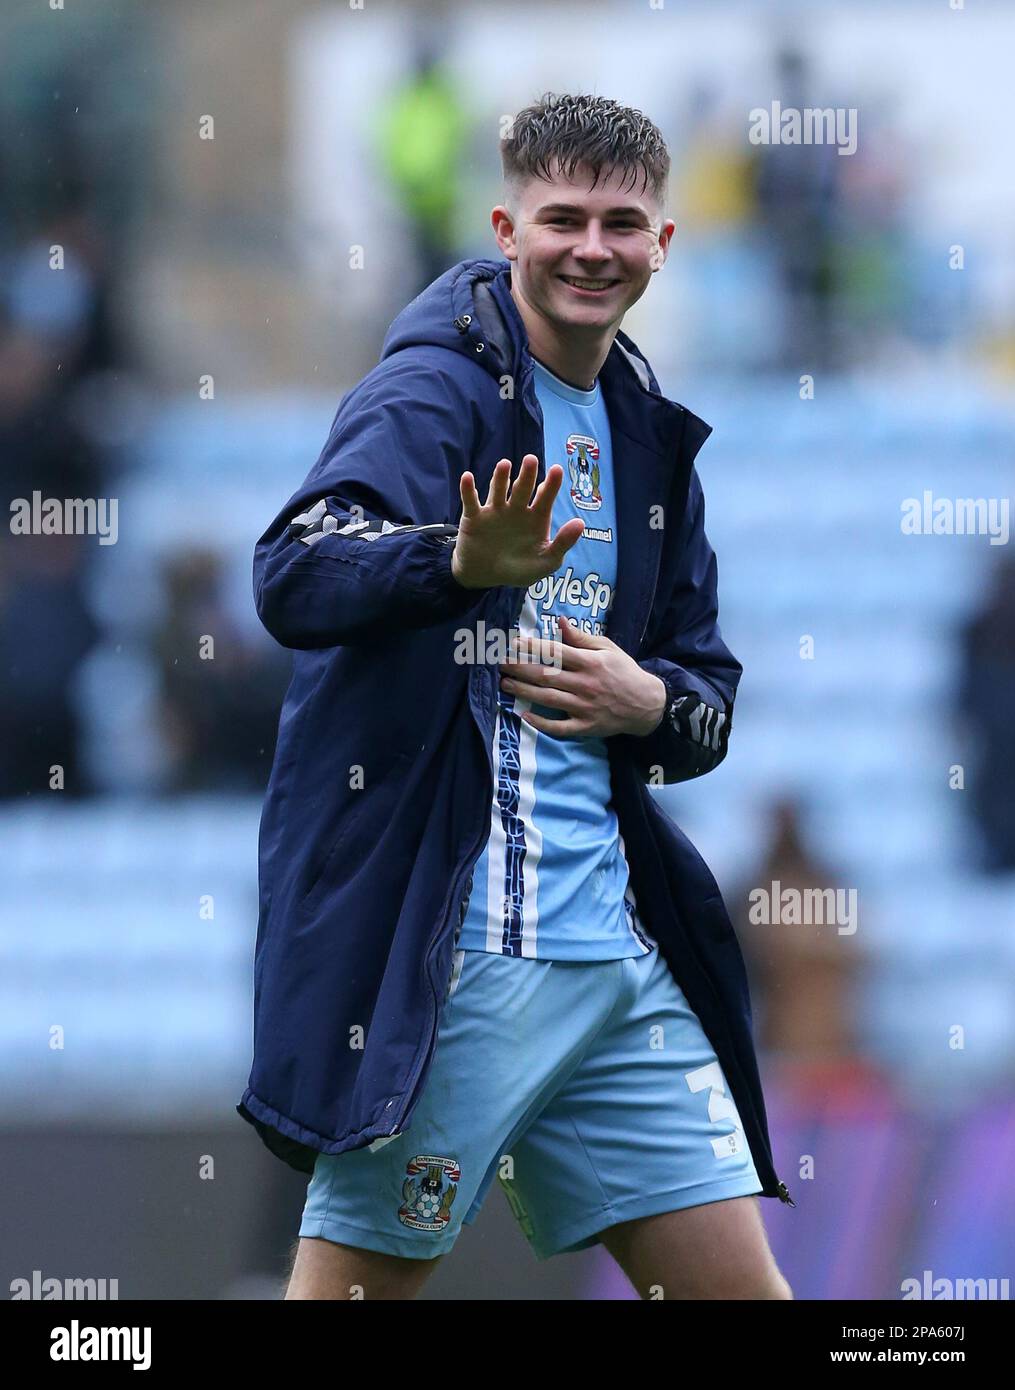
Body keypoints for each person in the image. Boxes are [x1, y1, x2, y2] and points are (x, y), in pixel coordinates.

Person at [237, 91, 794, 1301]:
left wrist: (645, 698)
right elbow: (290, 570)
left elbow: (705, 697)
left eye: (620, 222)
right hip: (467, 960)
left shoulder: (650, 437)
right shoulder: (429, 395)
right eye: (561, 218)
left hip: (620, 972)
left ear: (662, 243)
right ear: (504, 227)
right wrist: (452, 559)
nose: (591, 247)